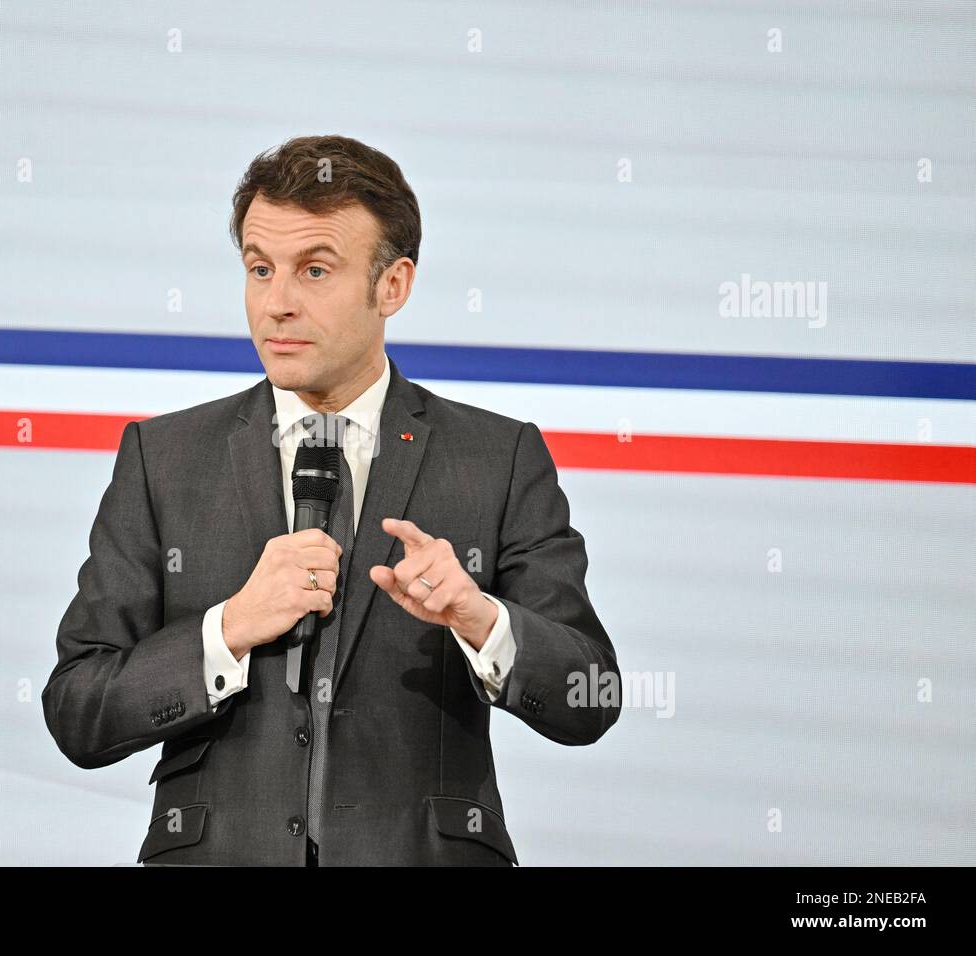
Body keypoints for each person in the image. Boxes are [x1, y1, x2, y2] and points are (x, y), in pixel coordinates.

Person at [42, 134, 620, 866]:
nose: (276, 303)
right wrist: (229, 629)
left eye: (314, 270)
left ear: (393, 285)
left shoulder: (497, 458)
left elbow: (591, 697)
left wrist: (480, 620)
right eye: (259, 269)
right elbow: (76, 709)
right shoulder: (165, 459)